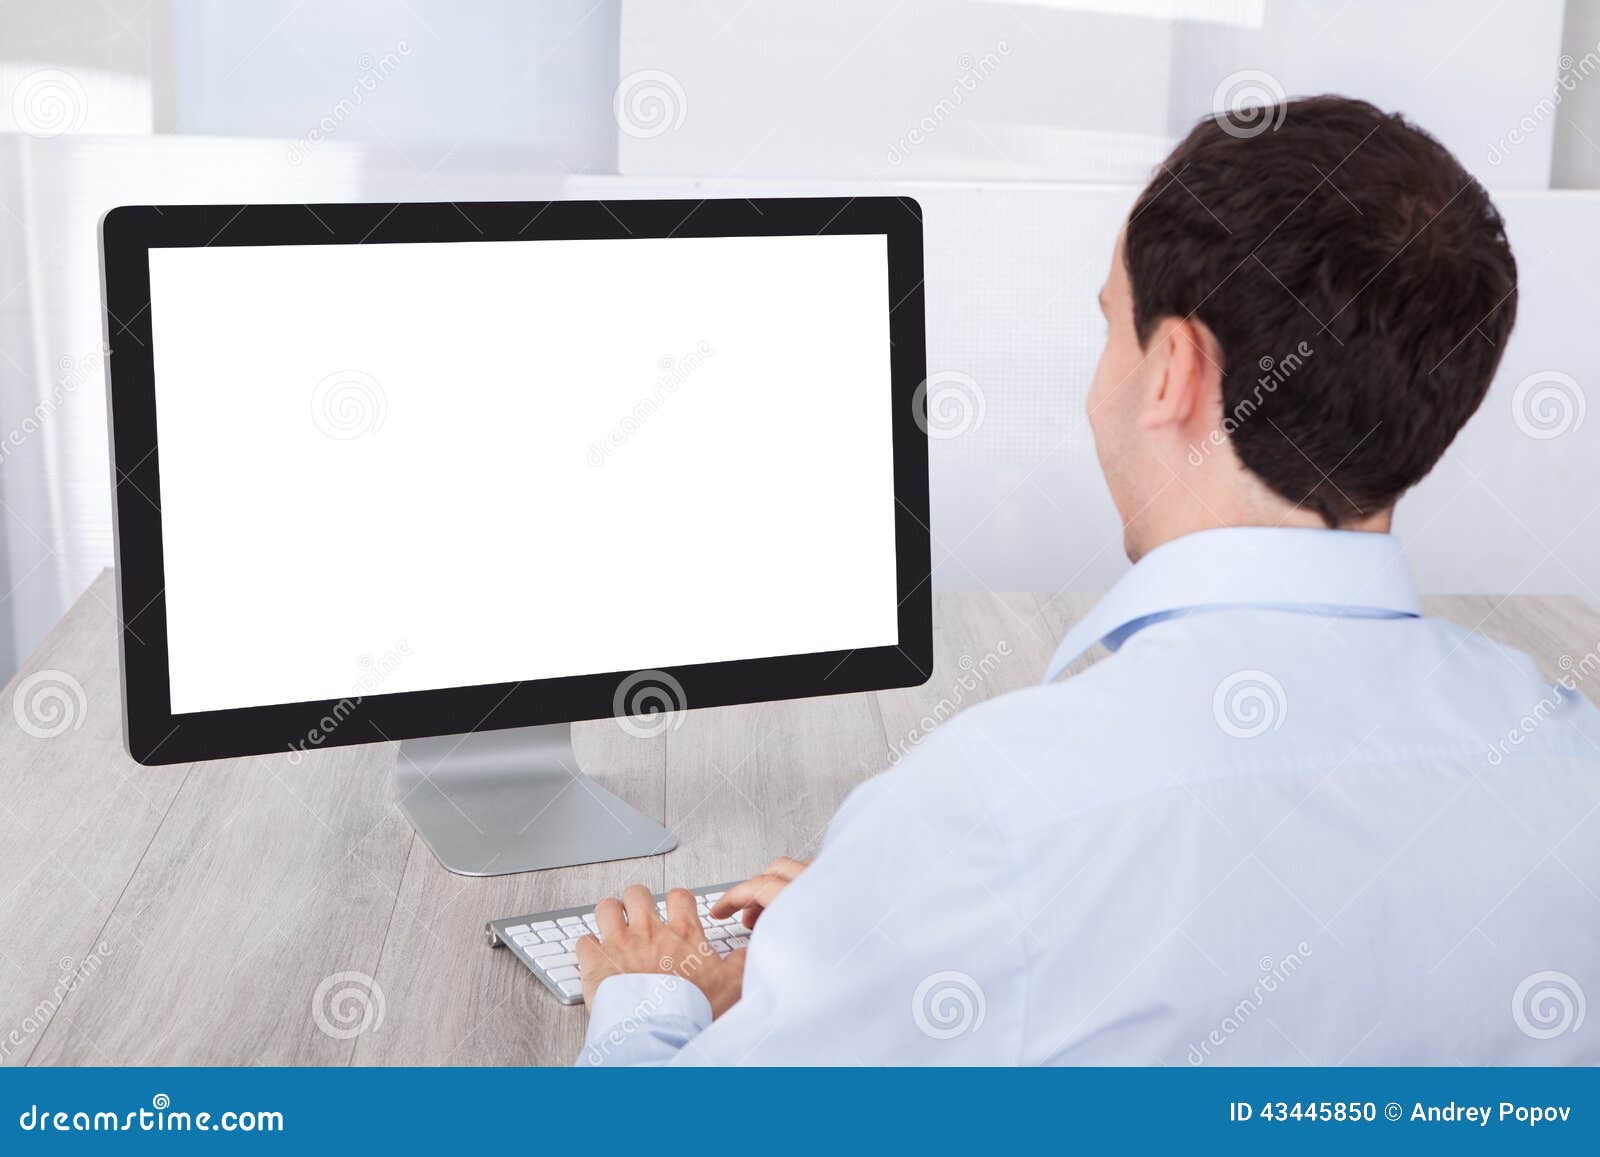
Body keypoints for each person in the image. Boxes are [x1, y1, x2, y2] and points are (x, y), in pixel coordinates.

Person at [573, 96, 1600, 1065]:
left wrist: (647, 991)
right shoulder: (1569, 759)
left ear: (1174, 373)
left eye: (1111, 323)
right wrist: (868, 935)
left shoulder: (990, 813)